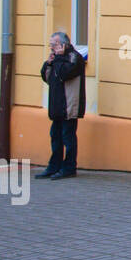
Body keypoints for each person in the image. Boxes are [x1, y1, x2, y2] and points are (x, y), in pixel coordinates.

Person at [38, 31, 86, 180]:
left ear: (64, 44)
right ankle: (54, 166)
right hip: (57, 106)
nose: (52, 48)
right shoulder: (57, 58)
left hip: (69, 106)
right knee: (55, 137)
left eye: (54, 45)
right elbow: (47, 77)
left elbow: (64, 73)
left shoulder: (74, 57)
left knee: (68, 137)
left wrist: (57, 59)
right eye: (51, 45)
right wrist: (49, 63)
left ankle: (69, 167)